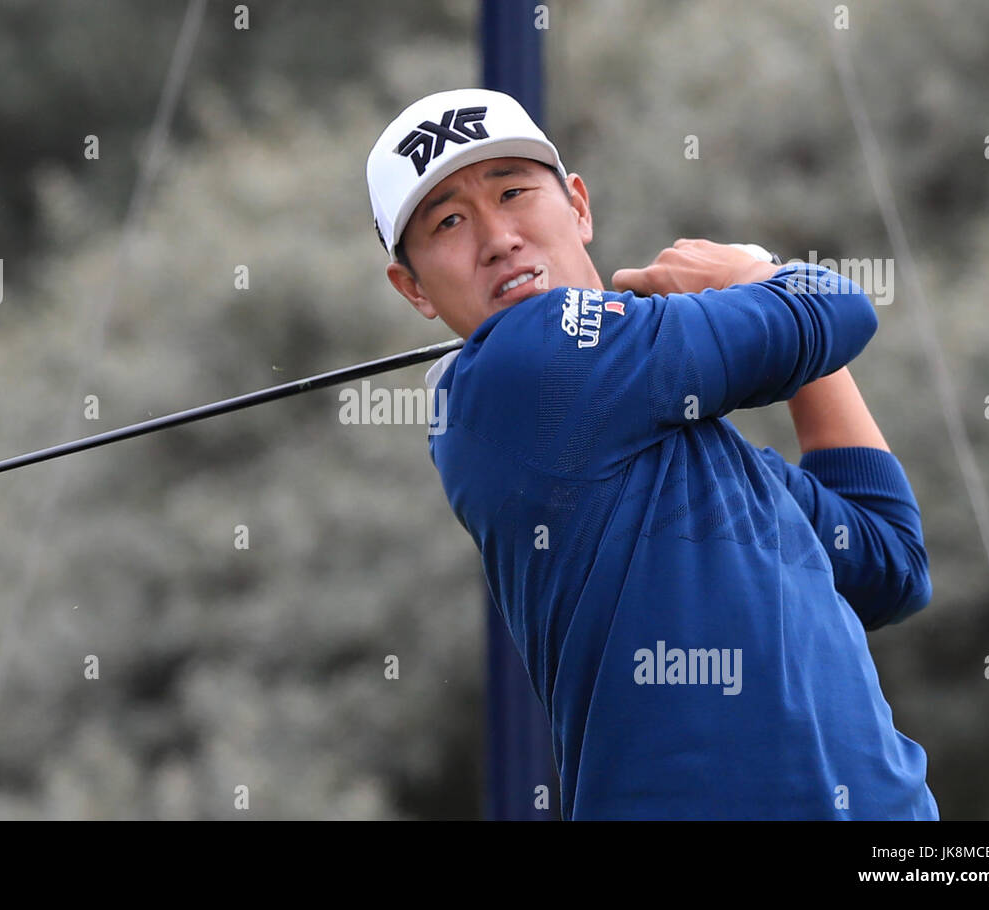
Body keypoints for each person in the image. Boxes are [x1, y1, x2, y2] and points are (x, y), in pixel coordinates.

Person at [366, 88, 937, 820]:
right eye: (449, 220)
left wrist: (767, 298)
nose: (498, 235)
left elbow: (890, 562)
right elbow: (842, 307)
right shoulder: (517, 371)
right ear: (412, 287)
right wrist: (755, 274)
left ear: (578, 205)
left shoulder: (694, 441)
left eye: (513, 192)